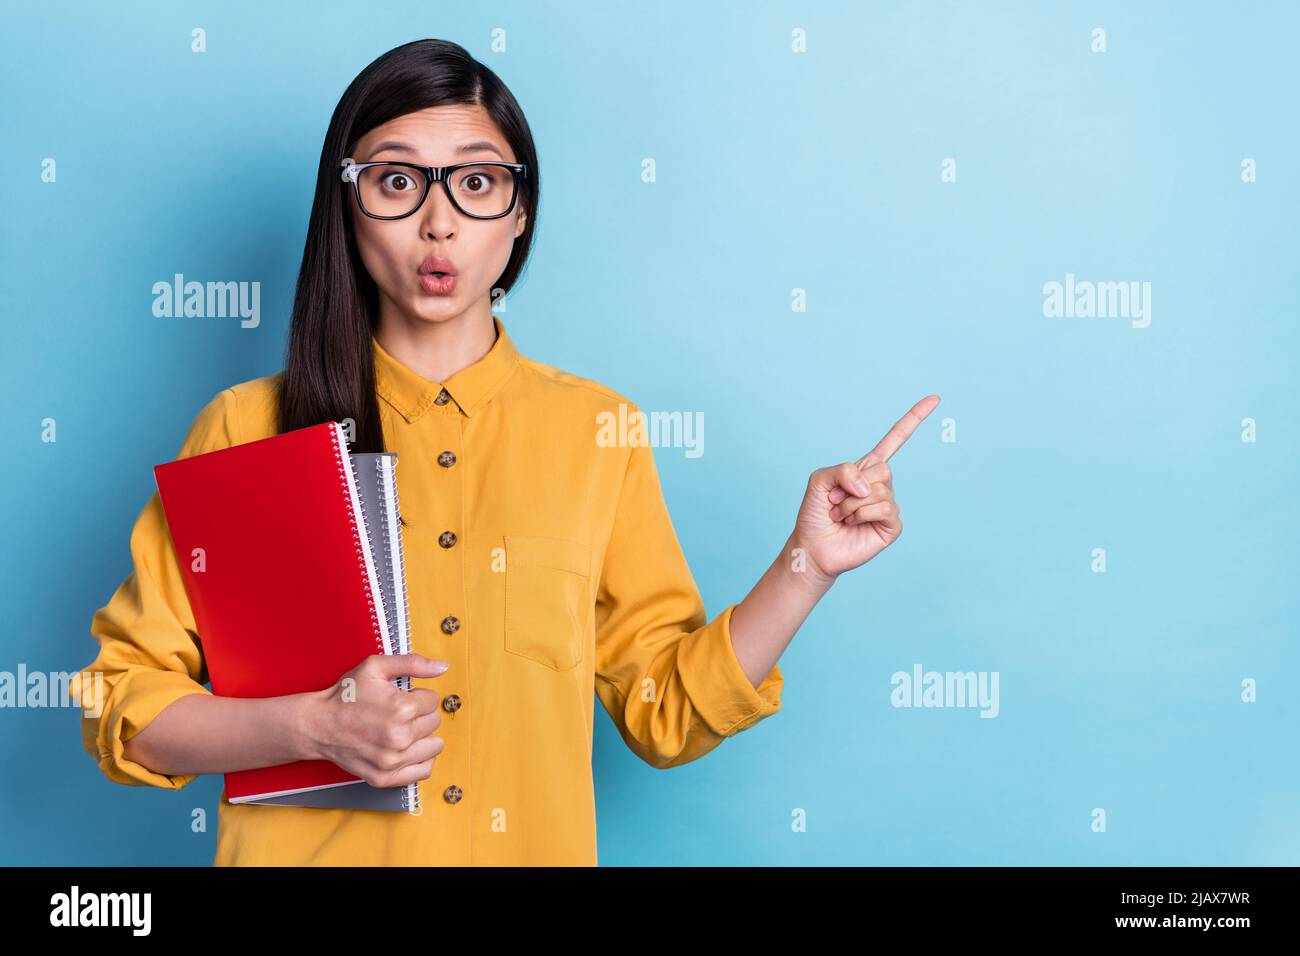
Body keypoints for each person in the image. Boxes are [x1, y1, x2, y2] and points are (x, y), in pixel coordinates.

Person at [71, 38, 939, 865]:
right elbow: (124, 702)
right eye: (398, 181)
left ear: (519, 212)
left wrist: (807, 564)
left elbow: (665, 710)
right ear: (346, 202)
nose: (438, 222)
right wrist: (314, 728)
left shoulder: (600, 432)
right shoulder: (249, 427)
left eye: (478, 183)